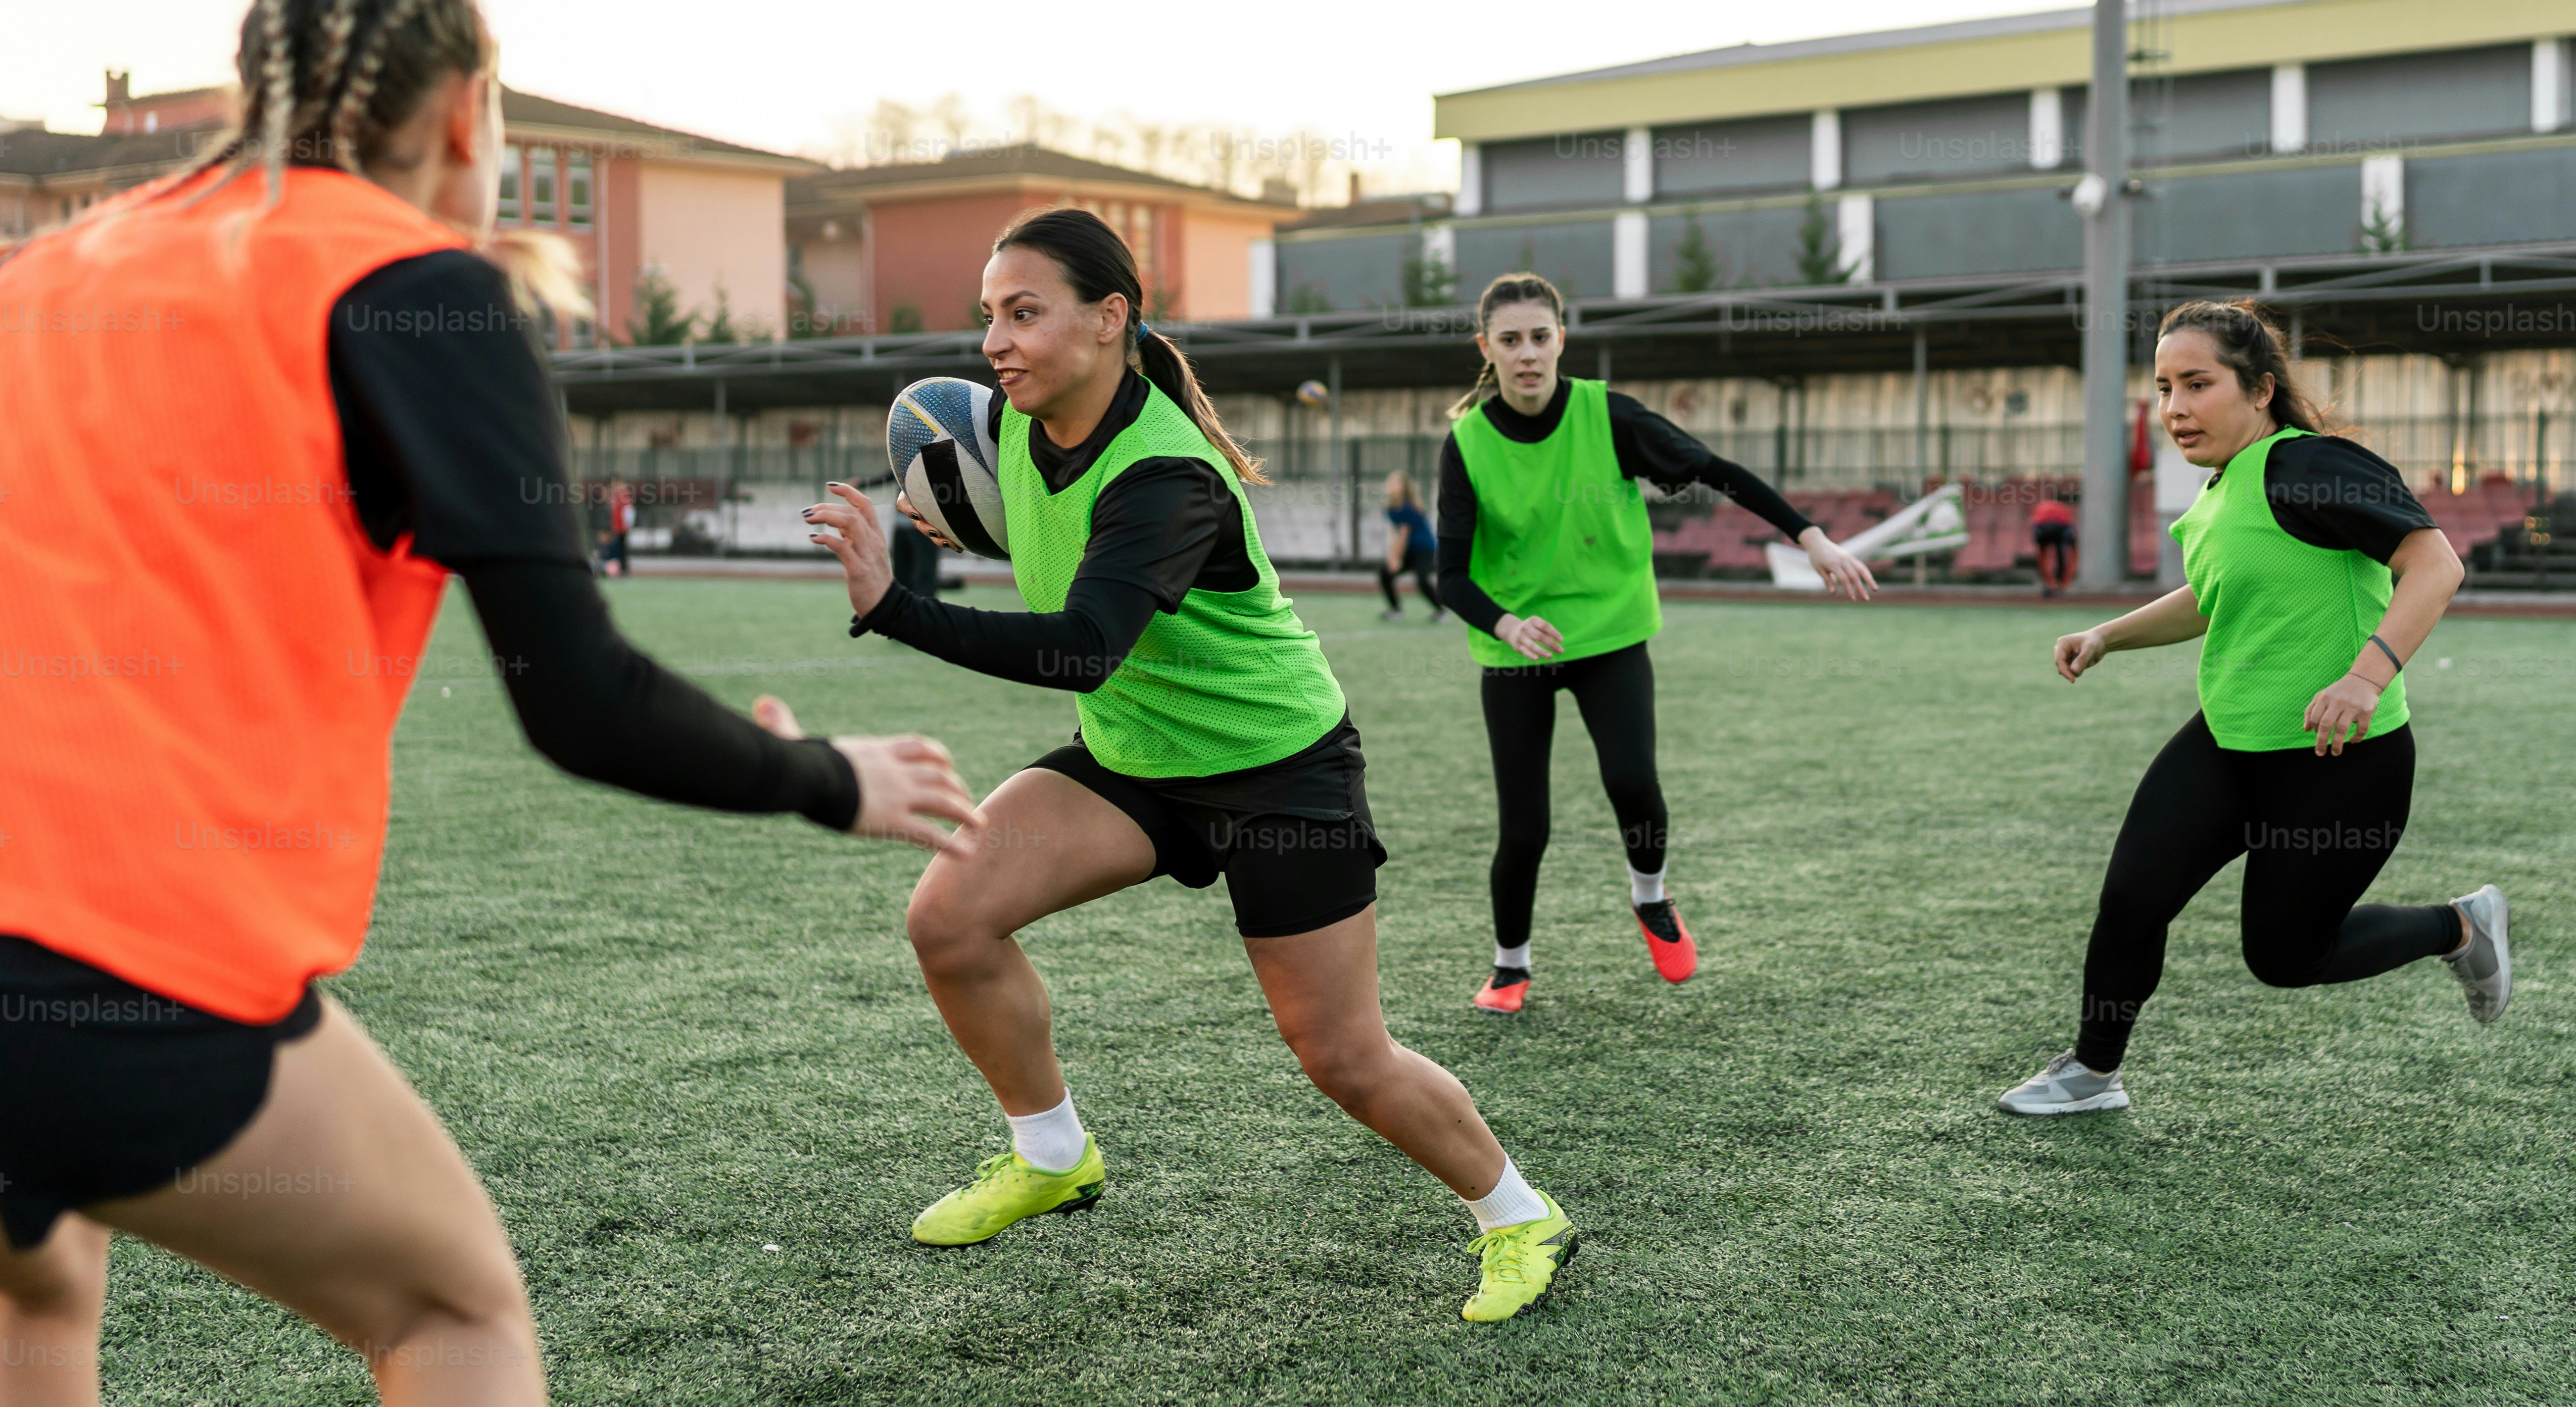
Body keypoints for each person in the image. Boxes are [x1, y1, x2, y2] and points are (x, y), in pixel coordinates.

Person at [0, 0, 983, 1407]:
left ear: (256, 83)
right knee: (452, 1312)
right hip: (40, 962)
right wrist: (824, 774)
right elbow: (578, 696)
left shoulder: (33, 273)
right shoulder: (407, 282)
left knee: (24, 1263)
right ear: (468, 110)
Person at [803, 210, 1578, 1324]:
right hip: (1134, 759)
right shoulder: (1014, 424)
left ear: (1110, 318)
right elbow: (1027, 530)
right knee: (951, 918)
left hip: (1277, 769)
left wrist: (895, 606)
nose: (994, 342)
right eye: (989, 317)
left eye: (1023, 313)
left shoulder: (1168, 472)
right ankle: (1051, 1151)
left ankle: (1518, 1214)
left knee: (1342, 1055)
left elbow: (1080, 643)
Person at [1999, 298, 2511, 1117]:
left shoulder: (2315, 465)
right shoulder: (2222, 490)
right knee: (2132, 899)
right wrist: (2107, 635)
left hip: (2340, 761)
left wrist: (2365, 676)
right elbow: (2211, 598)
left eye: (2198, 384)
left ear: (2261, 389)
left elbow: (2435, 565)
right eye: (2165, 387)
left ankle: (2458, 928)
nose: (2176, 408)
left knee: (2284, 956)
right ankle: (2093, 1073)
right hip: (2227, 745)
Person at [1434, 272, 1877, 1015]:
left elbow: (1716, 471)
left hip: (1610, 634)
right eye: (1509, 340)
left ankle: (1651, 896)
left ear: (1561, 340)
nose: (1527, 354)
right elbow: (1448, 575)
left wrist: (1811, 536)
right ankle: (1510, 965)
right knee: (1524, 825)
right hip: (1518, 652)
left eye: (1540, 337)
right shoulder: (1468, 446)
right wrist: (1506, 623)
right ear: (1487, 348)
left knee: (1633, 781)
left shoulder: (1607, 416)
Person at [1374, 467, 1437, 621]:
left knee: (1422, 579)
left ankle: (1441, 610)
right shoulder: (1390, 508)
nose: (1389, 484)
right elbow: (1393, 534)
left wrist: (1396, 558)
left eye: (1394, 482)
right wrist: (1391, 557)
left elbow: (1403, 535)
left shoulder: (1410, 508)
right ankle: (1396, 610)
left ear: (1403, 487)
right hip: (1409, 550)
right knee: (1385, 573)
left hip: (1424, 550)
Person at [2030, 489, 2078, 595]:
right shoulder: (2062, 507)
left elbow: (2035, 521)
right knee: (2066, 553)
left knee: (2042, 553)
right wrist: (2067, 581)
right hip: (2061, 527)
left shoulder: (2043, 505)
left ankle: (2051, 583)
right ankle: (2062, 583)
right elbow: (2074, 553)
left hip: (2043, 527)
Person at [599, 474, 635, 577]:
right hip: (619, 526)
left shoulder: (623, 494)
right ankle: (622, 568)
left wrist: (627, 525)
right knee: (620, 548)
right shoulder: (618, 495)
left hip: (622, 527)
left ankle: (624, 569)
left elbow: (628, 511)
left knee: (622, 548)